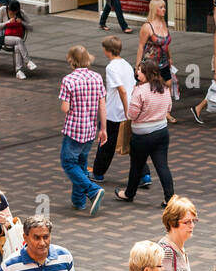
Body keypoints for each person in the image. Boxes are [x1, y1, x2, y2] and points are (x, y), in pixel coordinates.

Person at [115, 60, 174, 205]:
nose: (137, 73)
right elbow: (169, 108)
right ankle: (170, 198)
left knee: (136, 165)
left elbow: (132, 115)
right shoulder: (164, 88)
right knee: (162, 166)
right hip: (161, 132)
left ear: (146, 73)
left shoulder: (139, 90)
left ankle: (129, 193)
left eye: (140, 71)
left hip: (142, 135)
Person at [58, 46, 107, 214]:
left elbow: (65, 108)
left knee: (68, 163)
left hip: (74, 129)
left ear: (72, 60)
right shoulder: (97, 77)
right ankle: (78, 201)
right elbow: (102, 105)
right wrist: (103, 129)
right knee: (81, 164)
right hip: (90, 129)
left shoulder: (68, 80)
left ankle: (92, 190)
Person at [92, 35, 136, 182]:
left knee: (106, 143)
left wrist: (126, 110)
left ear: (107, 50)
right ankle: (144, 174)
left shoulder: (111, 67)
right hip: (128, 110)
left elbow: (121, 90)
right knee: (132, 143)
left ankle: (98, 173)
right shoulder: (127, 65)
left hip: (115, 112)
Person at [135, 0, 178, 115]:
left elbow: (166, 44)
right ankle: (148, 109)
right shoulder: (147, 26)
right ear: (154, 9)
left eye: (164, 7)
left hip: (163, 61)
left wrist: (170, 57)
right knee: (151, 86)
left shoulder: (164, 24)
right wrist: (137, 65)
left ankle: (166, 112)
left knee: (168, 84)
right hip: (151, 63)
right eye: (161, 7)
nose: (164, 9)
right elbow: (140, 46)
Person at [0, 0, 37, 80]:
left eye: (15, 12)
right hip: (3, 37)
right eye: (11, 12)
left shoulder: (21, 13)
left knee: (17, 46)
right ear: (8, 9)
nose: (13, 14)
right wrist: (8, 22)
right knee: (19, 40)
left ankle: (19, 71)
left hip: (16, 38)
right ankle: (28, 61)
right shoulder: (2, 10)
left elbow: (31, 27)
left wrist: (22, 22)